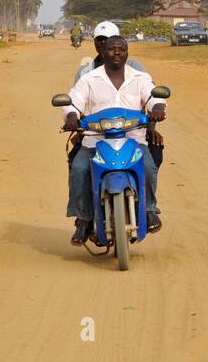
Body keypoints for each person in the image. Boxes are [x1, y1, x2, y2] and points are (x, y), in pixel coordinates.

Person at [62, 35, 166, 245]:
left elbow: (154, 96)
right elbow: (73, 101)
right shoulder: (89, 79)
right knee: (79, 168)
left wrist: (157, 107)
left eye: (121, 49)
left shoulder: (140, 78)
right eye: (111, 49)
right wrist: (71, 115)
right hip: (95, 141)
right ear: (102, 52)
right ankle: (83, 219)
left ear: (127, 53)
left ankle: (149, 209)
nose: (117, 52)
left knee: (147, 166)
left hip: (133, 139)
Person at [73, 21, 146, 84]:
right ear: (94, 42)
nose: (103, 42)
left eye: (107, 39)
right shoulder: (85, 71)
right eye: (99, 39)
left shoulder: (134, 67)